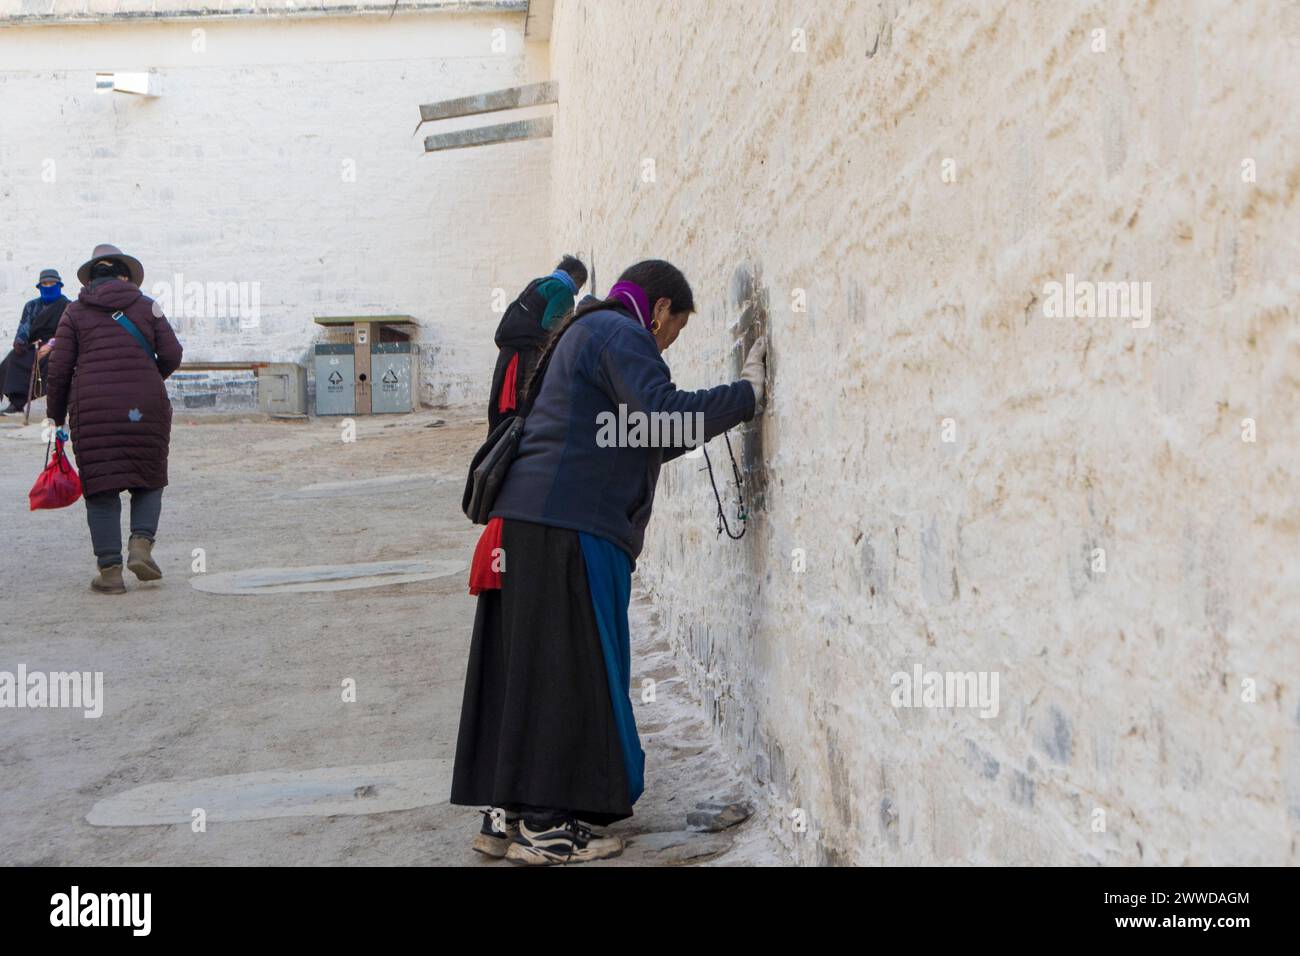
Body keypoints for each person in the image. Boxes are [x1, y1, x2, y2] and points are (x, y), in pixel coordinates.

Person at [451, 259, 768, 865]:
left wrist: (726, 406)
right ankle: (545, 825)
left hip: (528, 523)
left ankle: (506, 814)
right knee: (568, 673)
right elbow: (660, 413)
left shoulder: (583, 332)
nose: (665, 343)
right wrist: (746, 396)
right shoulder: (622, 332)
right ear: (659, 308)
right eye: (671, 331)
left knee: (524, 669)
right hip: (567, 526)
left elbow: (642, 431)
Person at [44, 244, 184, 594]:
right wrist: (149, 377)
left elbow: (59, 370)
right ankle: (140, 546)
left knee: (102, 488)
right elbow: (172, 353)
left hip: (93, 409)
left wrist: (55, 417)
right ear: (124, 276)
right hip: (145, 405)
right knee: (148, 477)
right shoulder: (148, 305)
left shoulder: (75, 312)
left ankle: (109, 574)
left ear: (91, 280)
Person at [486, 255, 588, 432]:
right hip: (524, 360)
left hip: (509, 356)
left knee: (504, 416)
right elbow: (552, 325)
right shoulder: (562, 290)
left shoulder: (539, 283)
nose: (577, 292)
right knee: (522, 411)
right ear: (577, 278)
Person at [0, 268, 69, 414]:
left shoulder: (68, 306)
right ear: (39, 287)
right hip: (35, 345)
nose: (48, 286)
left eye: (52, 283)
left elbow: (68, 331)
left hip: (58, 346)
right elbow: (25, 326)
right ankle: (16, 403)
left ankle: (60, 403)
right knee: (13, 358)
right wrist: (20, 341)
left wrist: (51, 345)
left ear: (59, 286)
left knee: (53, 363)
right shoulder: (31, 306)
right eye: (45, 284)